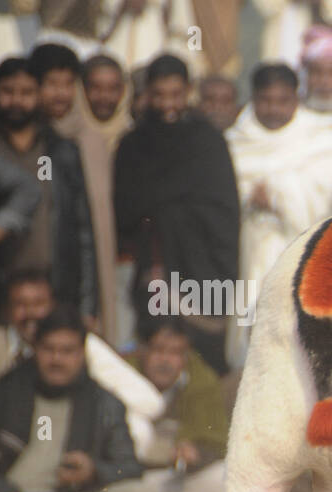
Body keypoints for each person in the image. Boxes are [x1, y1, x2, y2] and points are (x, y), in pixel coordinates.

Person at [114, 54, 239, 371]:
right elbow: (126, 209)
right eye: (159, 95)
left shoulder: (208, 140)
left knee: (203, 365)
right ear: (148, 94)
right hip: (154, 269)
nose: (168, 104)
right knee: (154, 357)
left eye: (176, 95)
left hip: (206, 270)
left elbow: (224, 208)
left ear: (189, 91)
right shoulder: (134, 144)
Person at [0, 305, 154, 492]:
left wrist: (94, 470)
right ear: (36, 350)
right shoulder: (7, 391)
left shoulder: (104, 404)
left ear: (82, 354)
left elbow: (129, 467)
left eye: (67, 351)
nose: (57, 359)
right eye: (49, 350)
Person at [226, 62, 332, 367]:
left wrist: (280, 194)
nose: (274, 109)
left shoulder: (321, 138)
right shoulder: (235, 141)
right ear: (253, 99)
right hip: (248, 257)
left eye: (283, 101)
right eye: (266, 100)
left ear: (297, 98)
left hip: (303, 258)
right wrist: (248, 197)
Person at [0, 268, 164, 455]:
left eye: (38, 303)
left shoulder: (82, 345)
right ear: (7, 310)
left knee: (137, 427)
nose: (30, 313)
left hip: (71, 436)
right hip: (10, 438)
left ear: (53, 305)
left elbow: (150, 403)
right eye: (20, 304)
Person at [31, 43, 121, 349]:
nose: (61, 94)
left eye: (69, 84)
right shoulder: (22, 143)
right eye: (52, 84)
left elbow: (88, 231)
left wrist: (88, 306)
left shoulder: (80, 145)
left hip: (70, 294)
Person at [0, 56, 97, 326]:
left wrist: (88, 306)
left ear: (39, 94)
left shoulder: (59, 150)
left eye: (26, 92)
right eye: (7, 91)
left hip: (53, 288)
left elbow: (83, 230)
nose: (17, 100)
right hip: (1, 290)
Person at [127, 317, 228, 492]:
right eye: (158, 350)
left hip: (171, 483)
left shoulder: (201, 383)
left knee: (222, 479)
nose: (165, 360)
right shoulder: (122, 378)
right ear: (142, 350)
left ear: (185, 356)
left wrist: (195, 451)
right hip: (131, 480)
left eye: (174, 353)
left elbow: (216, 443)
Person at [81, 53, 131, 153]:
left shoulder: (134, 141)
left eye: (112, 89)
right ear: (83, 90)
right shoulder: (66, 137)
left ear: (123, 92)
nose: (104, 96)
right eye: (96, 88)